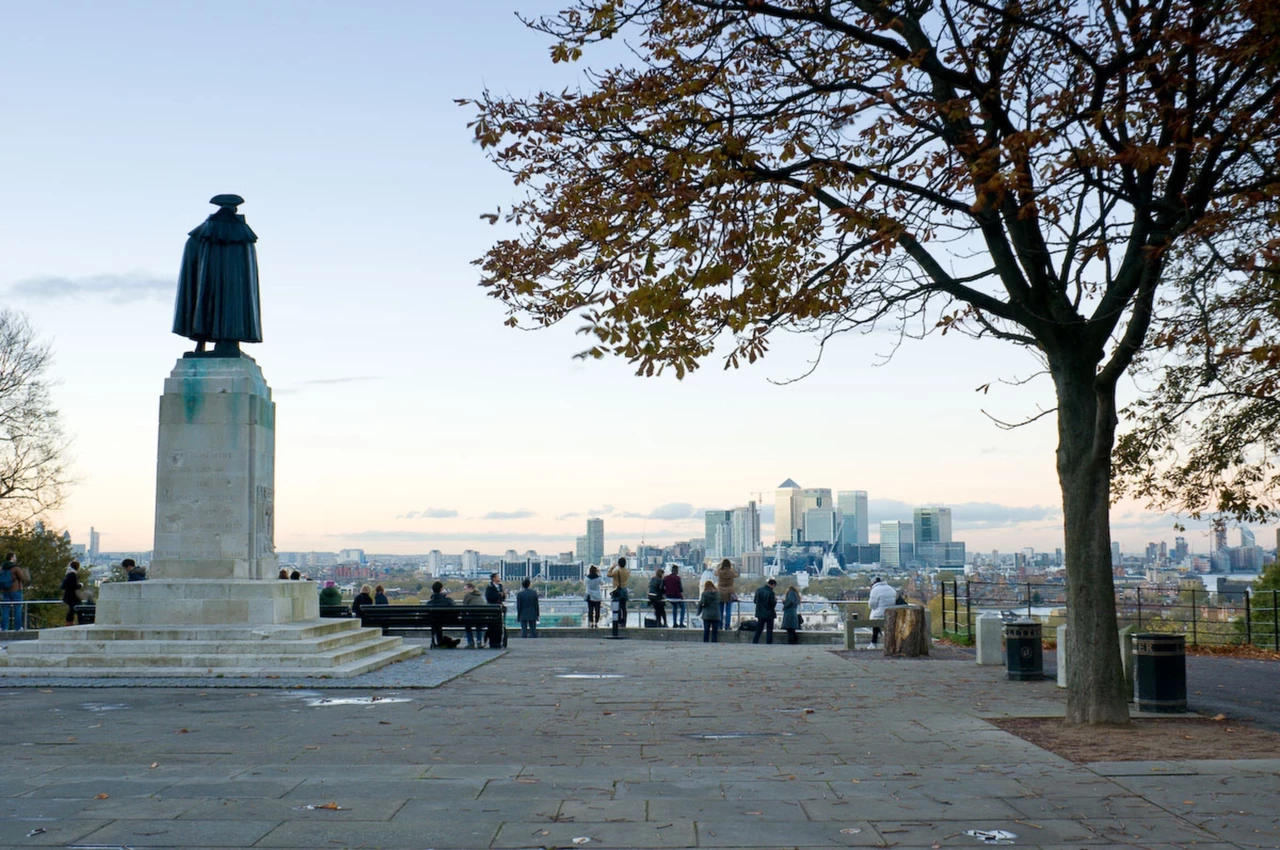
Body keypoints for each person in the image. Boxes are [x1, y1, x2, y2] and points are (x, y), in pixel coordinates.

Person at [425, 580, 460, 648]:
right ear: (441, 589)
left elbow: (426, 614)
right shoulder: (448, 600)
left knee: (436, 623)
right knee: (438, 623)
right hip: (448, 621)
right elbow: (456, 610)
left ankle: (441, 641)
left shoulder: (429, 603)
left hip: (433, 621)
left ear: (433, 590)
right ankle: (445, 641)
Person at [1, 553, 27, 631]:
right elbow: (22, 578)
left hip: (5, 590)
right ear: (12, 558)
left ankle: (4, 627)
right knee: (17, 608)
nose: (16, 558)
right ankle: (18, 627)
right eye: (15, 557)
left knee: (5, 609)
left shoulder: (2, 567)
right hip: (16, 590)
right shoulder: (15, 568)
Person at [868, 577, 898, 646]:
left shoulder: (875, 590)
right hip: (891, 614)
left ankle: (874, 642)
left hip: (879, 615)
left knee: (875, 623)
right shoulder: (891, 588)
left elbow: (871, 605)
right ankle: (889, 642)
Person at [752, 578, 778, 645]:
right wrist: (775, 600)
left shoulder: (759, 590)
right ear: (773, 585)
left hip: (760, 613)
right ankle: (768, 643)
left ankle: (755, 641)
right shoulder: (771, 592)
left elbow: (755, 601)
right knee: (769, 630)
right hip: (769, 614)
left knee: (759, 629)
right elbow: (772, 604)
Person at [607, 557, 631, 625]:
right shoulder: (627, 571)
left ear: (619, 564)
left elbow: (608, 574)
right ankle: (624, 621)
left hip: (617, 590)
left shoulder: (617, 571)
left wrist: (612, 567)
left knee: (617, 606)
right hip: (624, 590)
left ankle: (619, 621)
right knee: (623, 607)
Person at [715, 558, 739, 627]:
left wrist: (719, 566)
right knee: (728, 611)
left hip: (720, 592)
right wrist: (732, 568)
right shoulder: (731, 572)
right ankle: (727, 625)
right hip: (729, 592)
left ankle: (720, 625)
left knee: (720, 610)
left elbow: (715, 573)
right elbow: (737, 575)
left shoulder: (720, 572)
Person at [461, 581, 485, 648]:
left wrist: (462, 617)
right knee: (478, 625)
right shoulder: (480, 595)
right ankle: (479, 641)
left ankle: (470, 642)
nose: (464, 591)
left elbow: (464, 608)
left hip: (472, 617)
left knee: (467, 625)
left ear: (470, 588)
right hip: (482, 618)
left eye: (465, 589)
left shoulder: (467, 595)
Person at [61, 561, 82, 626]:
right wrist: (80, 585)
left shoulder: (68, 574)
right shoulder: (73, 575)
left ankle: (69, 622)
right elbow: (73, 586)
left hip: (68, 596)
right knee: (78, 608)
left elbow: (63, 586)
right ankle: (76, 622)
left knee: (72, 609)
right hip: (72, 596)